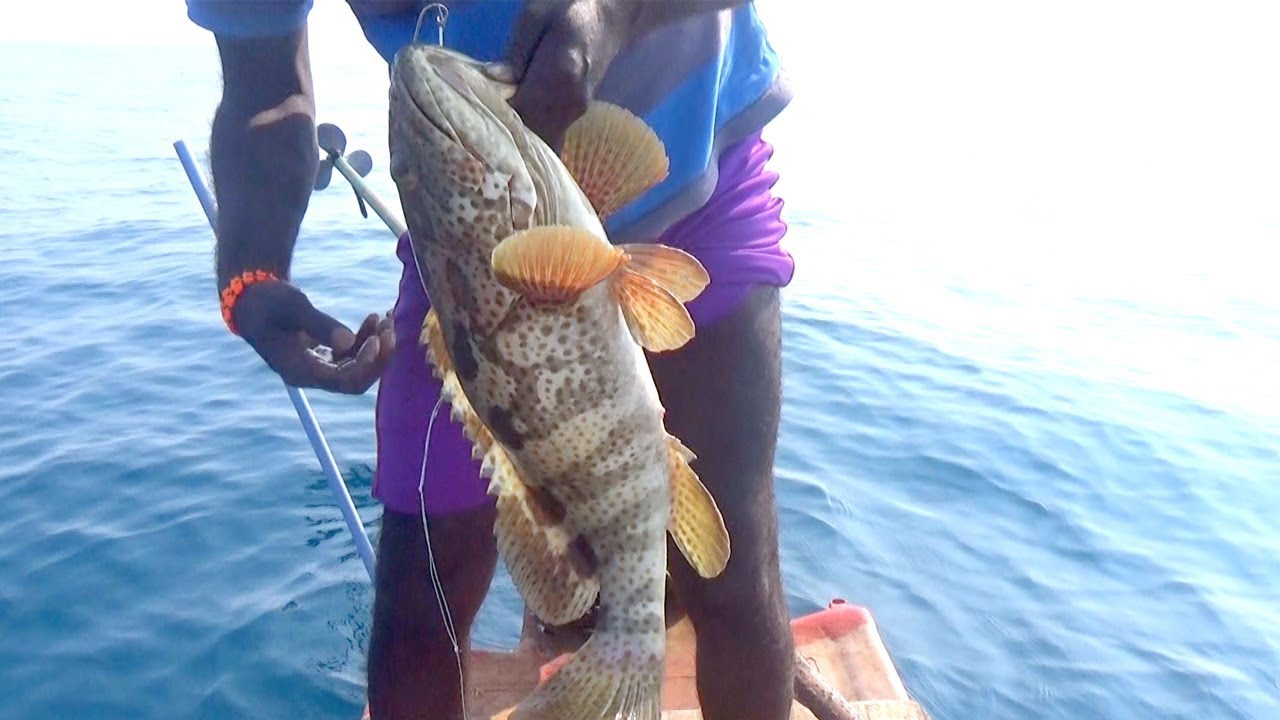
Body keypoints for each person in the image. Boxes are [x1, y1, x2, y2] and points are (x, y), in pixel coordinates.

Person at [188, 1, 796, 718]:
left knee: (734, 577)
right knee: (419, 601)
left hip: (697, 170)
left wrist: (618, 14)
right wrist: (249, 273)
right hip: (471, 245)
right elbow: (266, 88)